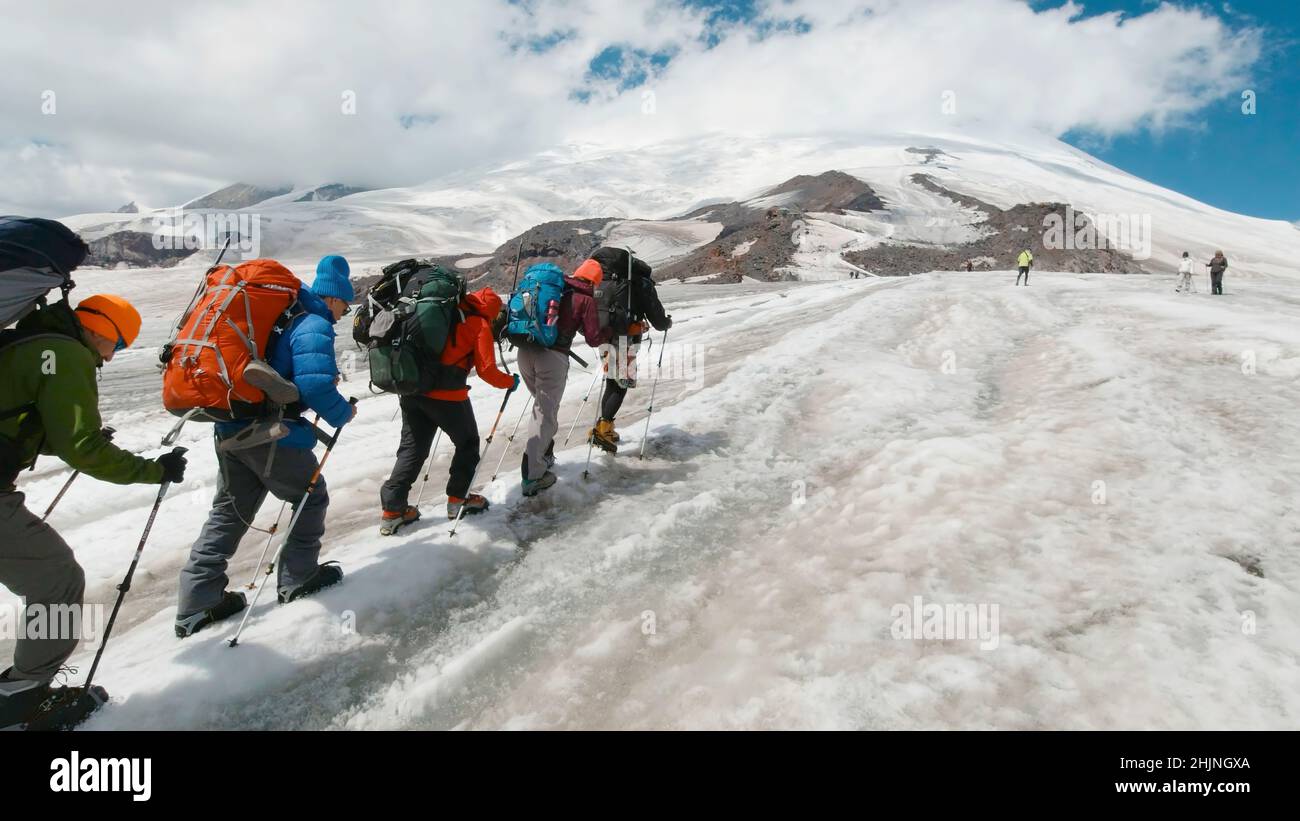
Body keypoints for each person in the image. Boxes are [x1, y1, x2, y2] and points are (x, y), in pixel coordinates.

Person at [1, 294, 187, 720]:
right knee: (57, 581)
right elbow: (81, 449)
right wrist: (153, 470)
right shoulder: (67, 353)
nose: (109, 357)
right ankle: (22, 701)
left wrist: (72, 429)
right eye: (117, 345)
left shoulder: (31, 341)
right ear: (102, 329)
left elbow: (25, 423)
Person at [174, 254, 356, 638]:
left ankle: (197, 602)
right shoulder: (313, 322)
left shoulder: (283, 315)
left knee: (229, 511)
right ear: (335, 297)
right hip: (270, 433)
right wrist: (342, 414)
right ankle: (298, 577)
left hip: (229, 427)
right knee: (310, 496)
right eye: (345, 303)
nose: (344, 312)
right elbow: (316, 386)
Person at [379, 286, 518, 532]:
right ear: (492, 310)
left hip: (412, 391)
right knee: (467, 443)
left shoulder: (444, 313)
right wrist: (510, 381)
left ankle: (393, 509)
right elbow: (487, 371)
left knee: (413, 449)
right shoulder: (479, 324)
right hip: (448, 396)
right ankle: (458, 499)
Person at [515, 262, 610, 497]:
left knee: (542, 409)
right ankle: (533, 476)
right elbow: (593, 338)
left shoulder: (553, 288)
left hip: (524, 351)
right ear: (594, 281)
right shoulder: (584, 299)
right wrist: (609, 329)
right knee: (544, 414)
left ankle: (545, 455)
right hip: (552, 358)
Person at [585, 259, 672, 453]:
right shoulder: (639, 283)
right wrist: (666, 323)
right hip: (625, 341)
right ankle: (603, 428)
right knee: (621, 383)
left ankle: (604, 426)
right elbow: (657, 318)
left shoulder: (606, 281)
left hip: (604, 337)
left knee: (611, 380)